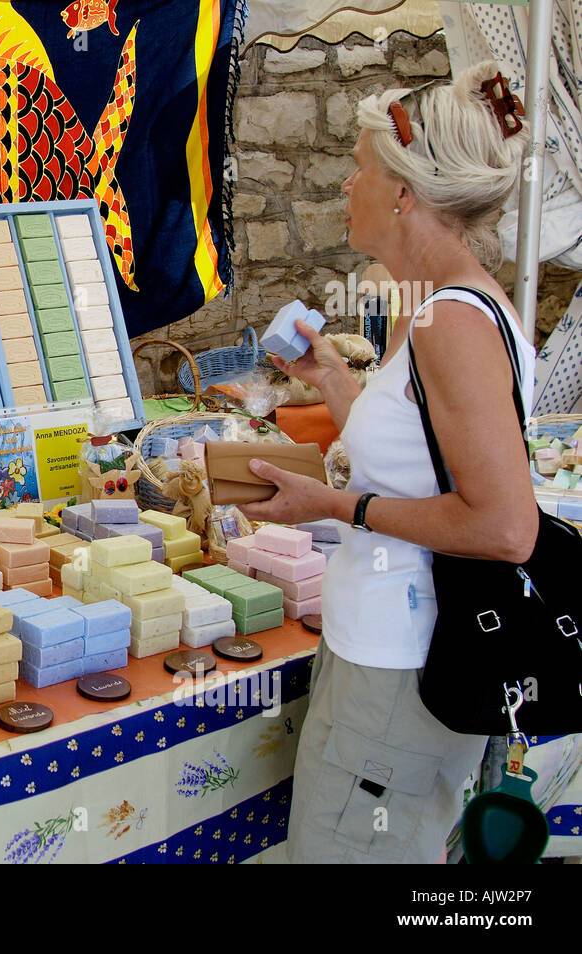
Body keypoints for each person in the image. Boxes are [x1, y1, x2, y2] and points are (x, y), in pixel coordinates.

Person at [238, 62, 536, 863]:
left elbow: (507, 527)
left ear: (403, 194)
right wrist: (335, 378)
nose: (345, 185)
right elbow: (414, 460)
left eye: (361, 169)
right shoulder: (436, 307)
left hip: (405, 667)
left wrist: (334, 507)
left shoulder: (452, 323)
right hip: (378, 647)